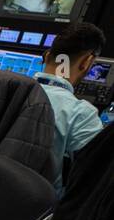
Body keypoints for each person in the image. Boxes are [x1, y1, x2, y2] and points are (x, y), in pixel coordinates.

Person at [33, 21, 108, 194]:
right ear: (87, 62)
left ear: (46, 55)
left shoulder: (8, 89)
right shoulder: (80, 113)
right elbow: (97, 178)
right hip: (37, 212)